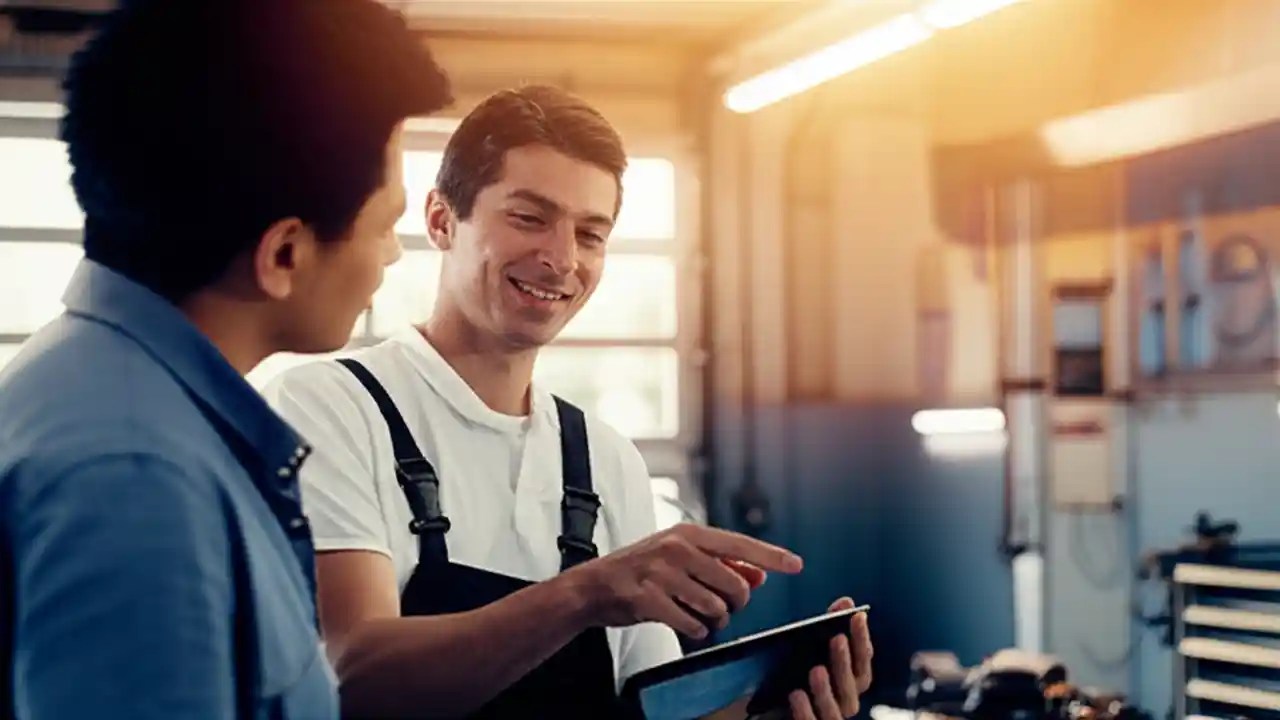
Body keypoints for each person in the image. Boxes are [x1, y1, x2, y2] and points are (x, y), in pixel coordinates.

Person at [261, 85, 874, 719]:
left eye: (590, 233)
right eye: (529, 218)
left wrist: (765, 712)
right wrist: (585, 594)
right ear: (442, 220)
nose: (560, 259)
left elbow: (651, 712)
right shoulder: (328, 407)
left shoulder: (605, 460)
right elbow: (351, 675)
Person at [0, 1, 450, 718]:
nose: (394, 253)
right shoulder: (135, 479)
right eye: (387, 223)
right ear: (284, 255)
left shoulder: (103, 393)